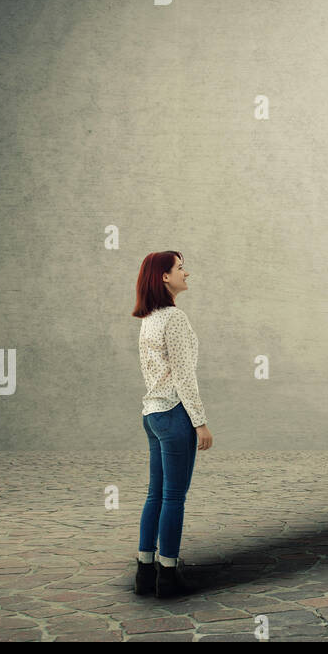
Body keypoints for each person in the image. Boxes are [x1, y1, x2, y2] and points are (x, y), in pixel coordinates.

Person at [132, 251, 214, 597]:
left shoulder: (148, 319)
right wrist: (201, 422)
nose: (187, 273)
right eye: (180, 268)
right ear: (164, 277)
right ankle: (168, 575)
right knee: (174, 497)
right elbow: (183, 376)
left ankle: (144, 571)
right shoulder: (174, 319)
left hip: (152, 413)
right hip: (175, 413)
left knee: (155, 495)